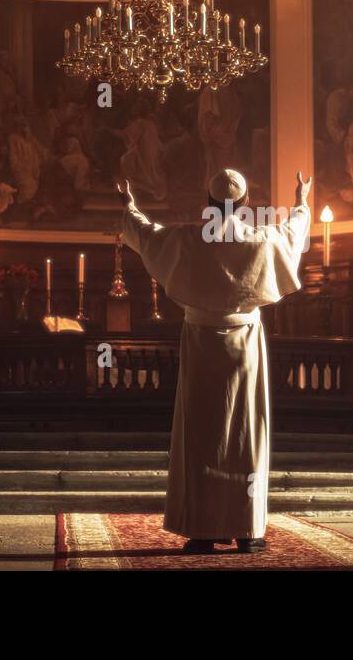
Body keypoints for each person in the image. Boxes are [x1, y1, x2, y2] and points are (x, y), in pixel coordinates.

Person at [118, 169, 312, 553]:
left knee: (202, 432)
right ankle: (248, 530)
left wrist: (129, 205)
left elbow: (147, 235)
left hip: (201, 340)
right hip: (245, 343)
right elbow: (292, 234)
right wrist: (302, 200)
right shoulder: (261, 238)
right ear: (245, 206)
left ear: (208, 203)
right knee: (246, 430)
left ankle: (203, 531)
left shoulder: (190, 239)